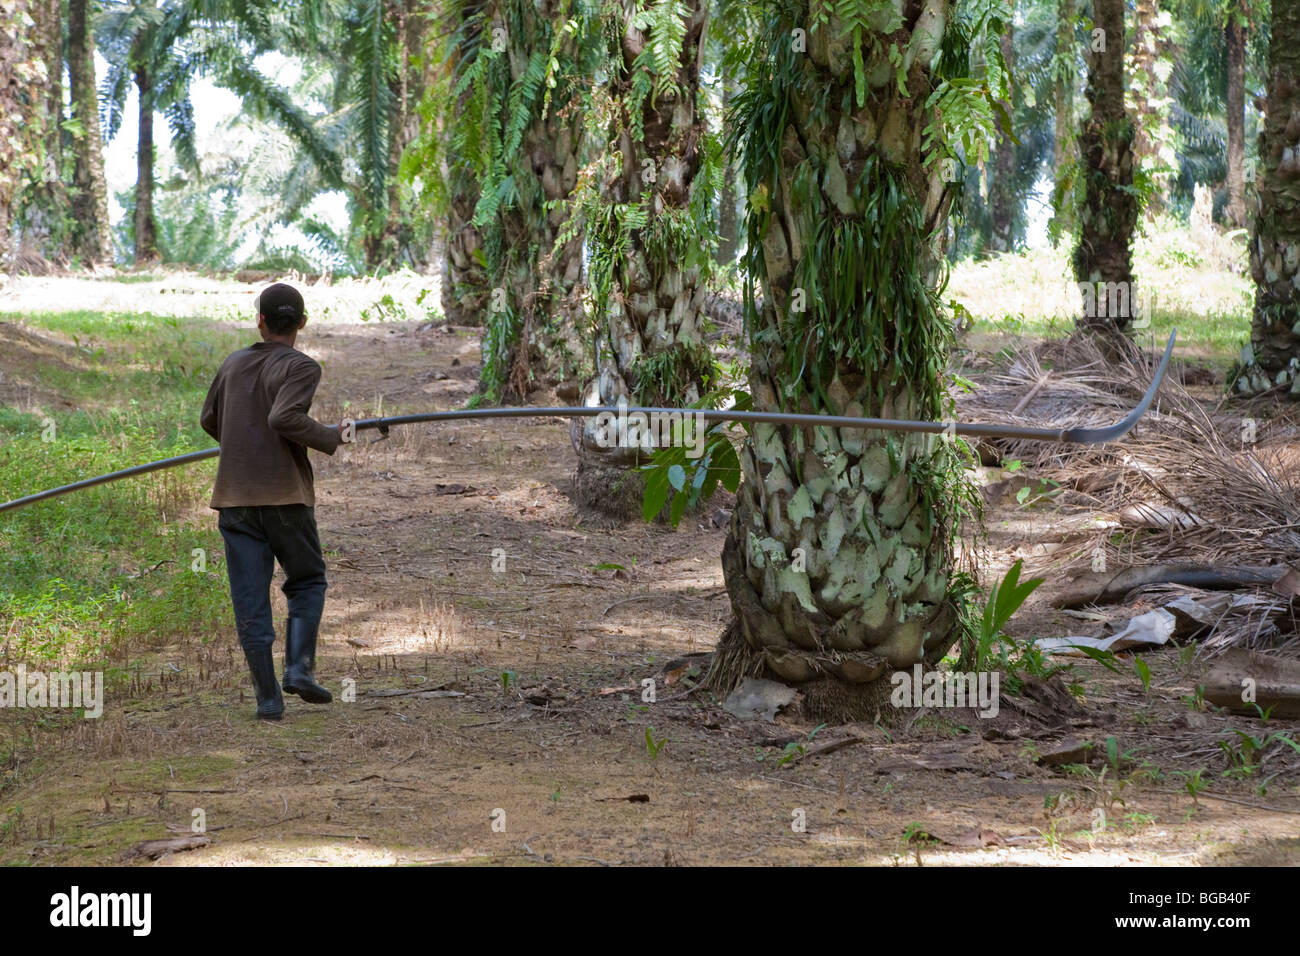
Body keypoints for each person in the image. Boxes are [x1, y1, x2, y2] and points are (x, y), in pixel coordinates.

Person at [200, 283, 345, 720]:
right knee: (306, 581)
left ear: (259, 321)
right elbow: (283, 417)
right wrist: (332, 437)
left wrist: (243, 446)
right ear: (301, 322)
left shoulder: (233, 363)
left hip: (235, 501)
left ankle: (268, 699)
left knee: (249, 598)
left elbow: (209, 419)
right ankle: (298, 669)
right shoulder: (301, 366)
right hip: (285, 499)